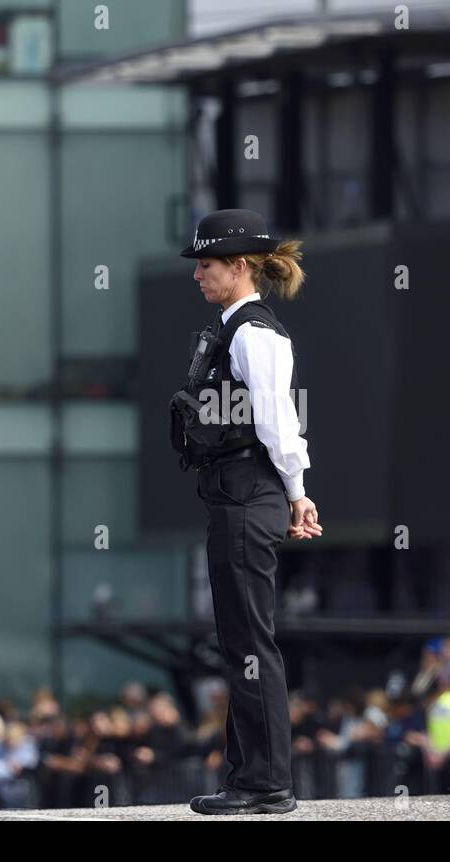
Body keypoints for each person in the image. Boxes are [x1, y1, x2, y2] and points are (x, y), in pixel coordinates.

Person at [172, 208, 322, 815]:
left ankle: (265, 784)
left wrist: (296, 491)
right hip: (238, 495)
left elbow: (279, 420)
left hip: (248, 494)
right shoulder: (233, 326)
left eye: (206, 264)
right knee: (241, 642)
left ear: (238, 267)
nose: (198, 275)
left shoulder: (255, 333)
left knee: (251, 644)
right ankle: (248, 779)